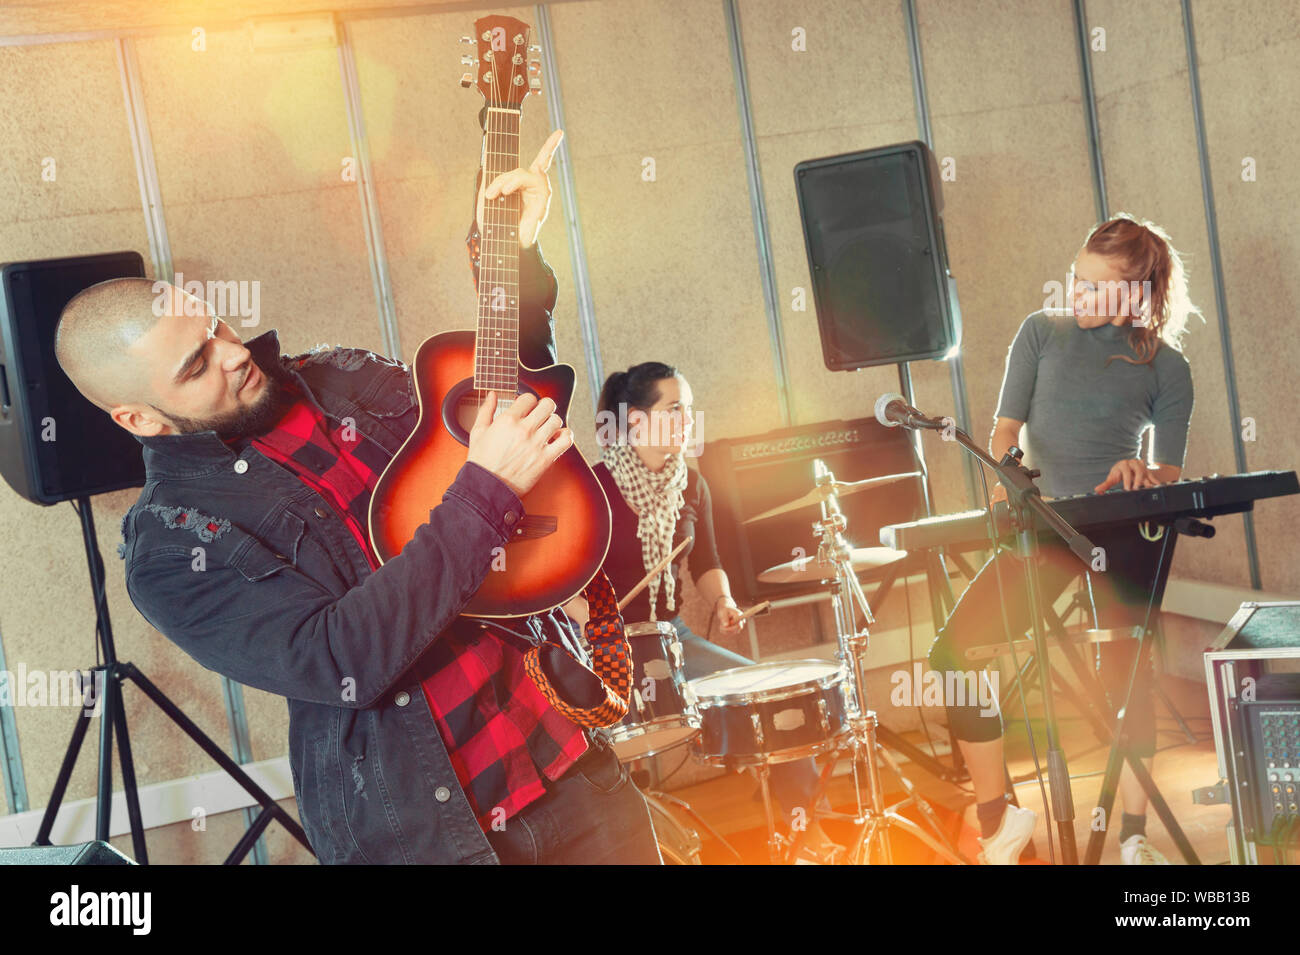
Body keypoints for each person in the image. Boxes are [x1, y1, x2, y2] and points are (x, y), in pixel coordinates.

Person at [53, 128, 662, 865]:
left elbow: (501, 407)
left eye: (215, 324)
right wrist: (487, 489)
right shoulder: (172, 550)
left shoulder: (339, 375)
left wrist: (515, 265)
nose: (235, 351)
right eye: (197, 363)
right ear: (139, 418)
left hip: (571, 769)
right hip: (437, 840)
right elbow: (343, 657)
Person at [928, 213, 1198, 865]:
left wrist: (1143, 475)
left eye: (1094, 287)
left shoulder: (1169, 368)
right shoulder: (1039, 334)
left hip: (1121, 531)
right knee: (953, 655)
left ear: (1136, 295)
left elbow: (1168, 472)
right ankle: (998, 818)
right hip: (1042, 525)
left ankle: (1133, 838)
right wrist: (1008, 473)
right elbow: (1003, 433)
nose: (1075, 294)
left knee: (1126, 674)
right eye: (1076, 279)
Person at [565, 362, 842, 862]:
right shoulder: (593, 489)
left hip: (671, 639)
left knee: (775, 700)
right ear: (636, 420)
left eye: (689, 408)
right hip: (601, 648)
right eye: (675, 408)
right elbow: (564, 583)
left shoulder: (692, 485)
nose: (689, 418)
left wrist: (724, 601)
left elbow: (707, 562)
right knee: (595, 759)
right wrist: (593, 625)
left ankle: (807, 842)